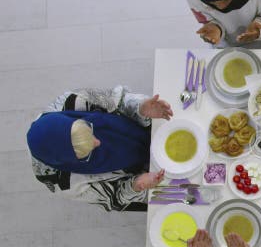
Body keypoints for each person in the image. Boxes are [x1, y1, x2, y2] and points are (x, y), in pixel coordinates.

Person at [26, 86, 172, 211]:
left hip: (148, 131)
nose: (97, 143)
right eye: (87, 152)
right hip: (143, 176)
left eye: (90, 130)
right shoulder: (61, 183)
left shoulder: (72, 101)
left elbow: (119, 101)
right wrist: (136, 185)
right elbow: (113, 198)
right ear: (69, 161)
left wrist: (140, 108)